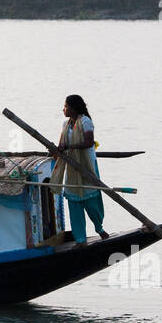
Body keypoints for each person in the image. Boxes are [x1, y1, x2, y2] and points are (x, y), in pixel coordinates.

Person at [49, 95, 108, 241]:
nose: (64, 109)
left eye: (66, 106)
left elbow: (88, 143)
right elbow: (61, 146)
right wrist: (56, 150)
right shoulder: (65, 125)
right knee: (74, 203)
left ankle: (99, 228)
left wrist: (70, 147)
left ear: (74, 108)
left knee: (91, 201)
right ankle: (80, 239)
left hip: (87, 166)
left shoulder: (86, 122)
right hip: (72, 168)